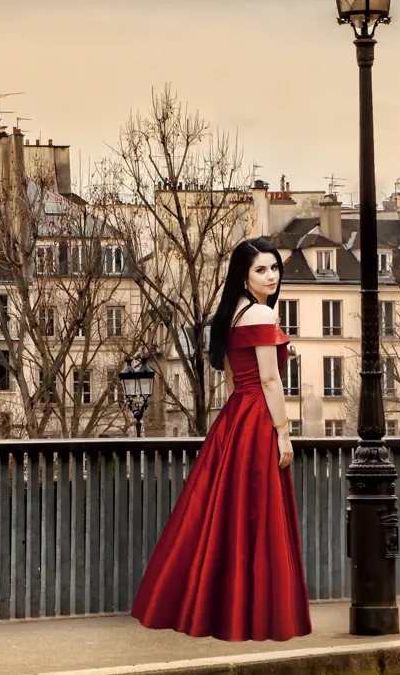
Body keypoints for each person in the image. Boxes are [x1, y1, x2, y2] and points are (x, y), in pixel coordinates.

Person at [130, 236, 312, 642]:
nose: (270, 276)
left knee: (222, 518)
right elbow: (269, 380)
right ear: (244, 276)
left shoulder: (233, 315)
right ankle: (259, 615)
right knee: (257, 518)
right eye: (260, 269)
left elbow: (234, 380)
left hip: (234, 419)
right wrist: (284, 435)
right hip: (259, 420)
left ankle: (220, 610)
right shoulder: (262, 314)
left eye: (274, 268)